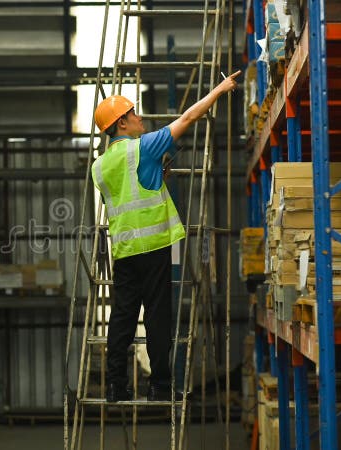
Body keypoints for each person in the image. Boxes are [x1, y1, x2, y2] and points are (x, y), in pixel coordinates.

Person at [92, 71, 240, 402]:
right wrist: (220, 88)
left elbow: (123, 195)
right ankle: (159, 386)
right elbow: (188, 117)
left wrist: (156, 177)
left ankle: (116, 385)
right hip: (155, 245)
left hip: (125, 248)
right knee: (158, 316)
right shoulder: (142, 148)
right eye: (132, 114)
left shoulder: (99, 166)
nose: (139, 117)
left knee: (122, 317)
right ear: (121, 125)